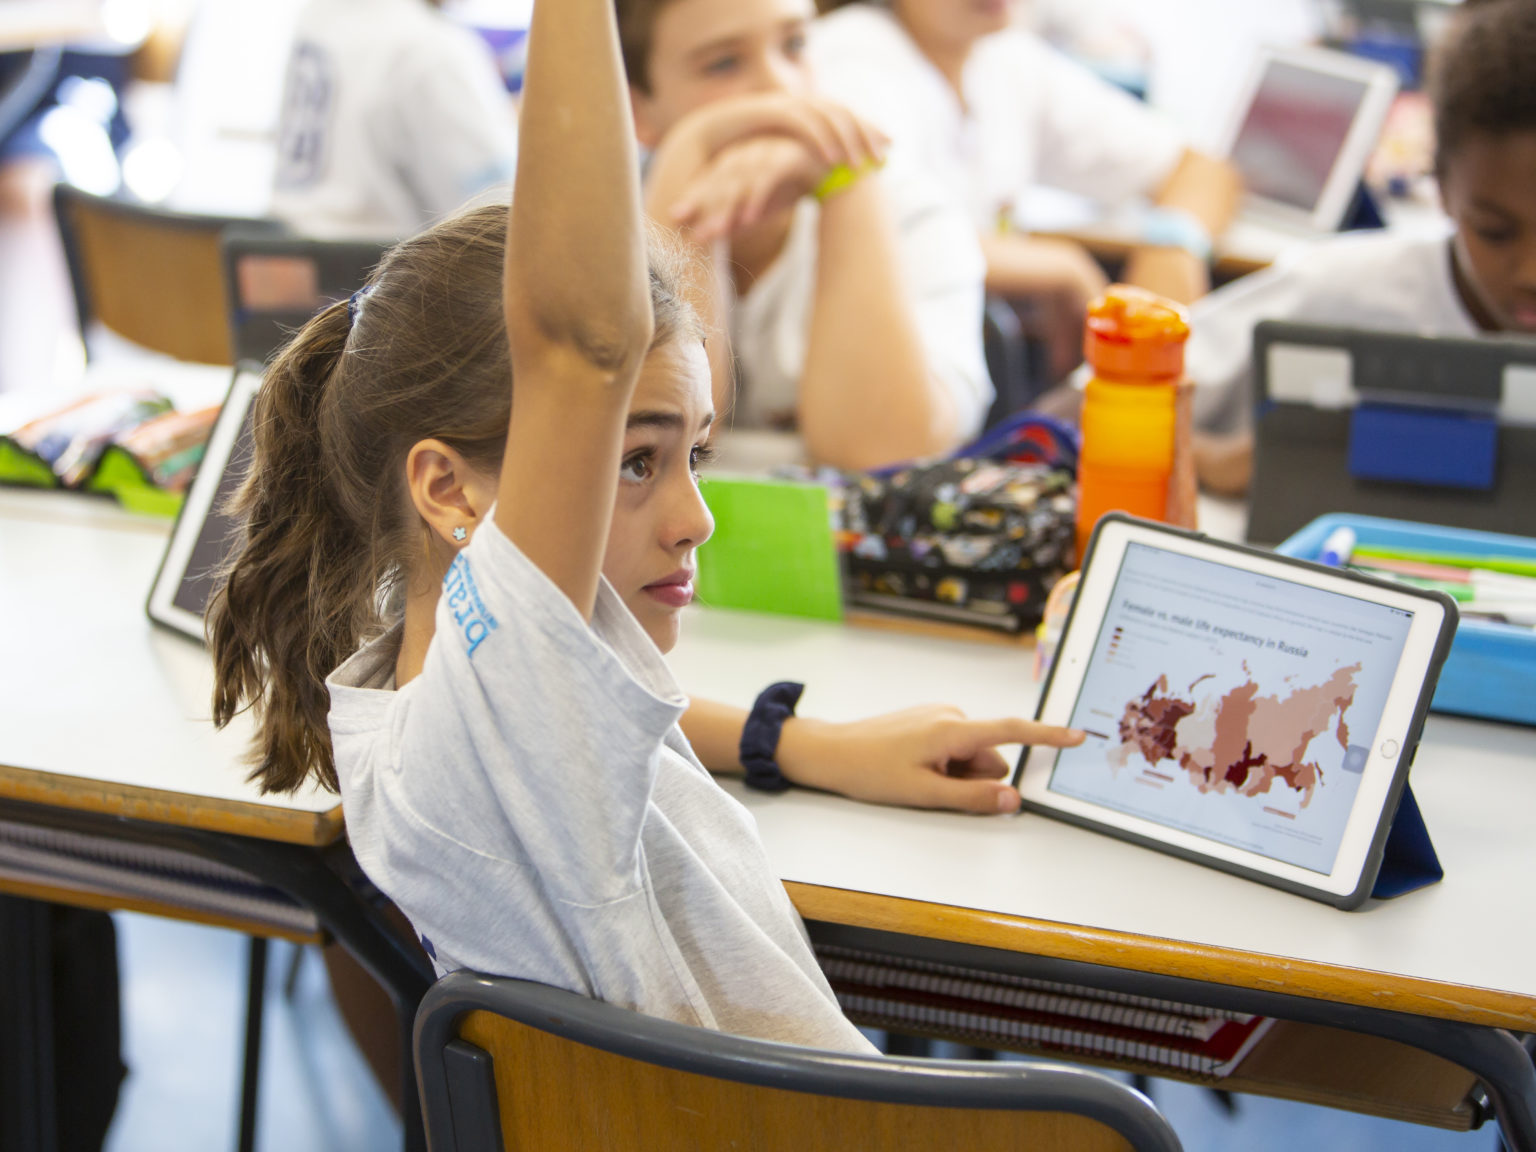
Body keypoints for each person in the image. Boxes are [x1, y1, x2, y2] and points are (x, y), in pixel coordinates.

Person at [208, 0, 1083, 1050]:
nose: (694, 518)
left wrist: (801, 743)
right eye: (631, 463)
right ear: (451, 490)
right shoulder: (505, 679)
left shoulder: (446, 676)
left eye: (692, 455)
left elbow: (617, 716)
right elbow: (582, 340)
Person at [618, 0, 994, 472]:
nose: (780, 86)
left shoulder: (914, 215)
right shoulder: (606, 227)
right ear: (638, 111)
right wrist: (687, 160)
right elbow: (656, 446)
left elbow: (879, 457)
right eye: (723, 64)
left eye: (793, 45)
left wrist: (846, 180)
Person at [1185, 0, 1536, 496]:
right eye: (1495, 231)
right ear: (1440, 187)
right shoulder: (1338, 288)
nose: (1530, 272)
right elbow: (1103, 399)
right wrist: (1212, 458)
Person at [808, 0, 1239, 382]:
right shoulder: (853, 59)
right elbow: (877, 238)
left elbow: (1199, 170)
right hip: (881, 379)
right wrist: (1060, 265)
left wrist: (1174, 246)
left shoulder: (1003, 55)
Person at [269, 0, 519, 239]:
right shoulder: (429, 46)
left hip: (285, 259)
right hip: (374, 270)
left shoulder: (318, 15)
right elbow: (499, 216)